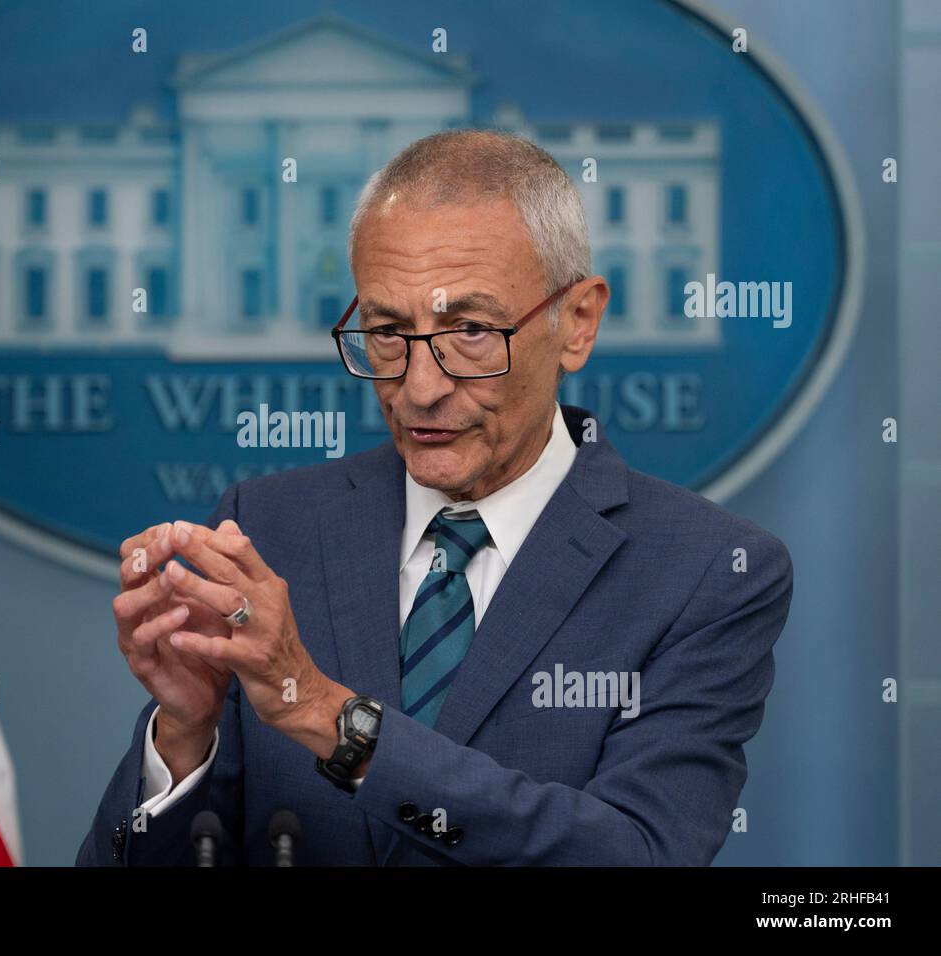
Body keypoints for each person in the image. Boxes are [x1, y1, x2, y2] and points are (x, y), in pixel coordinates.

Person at [77, 129, 793, 866]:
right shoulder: (267, 527)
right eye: (388, 332)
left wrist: (327, 716)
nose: (420, 387)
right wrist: (185, 735)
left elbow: (638, 856)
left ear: (577, 323)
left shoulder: (707, 573)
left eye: (472, 332)